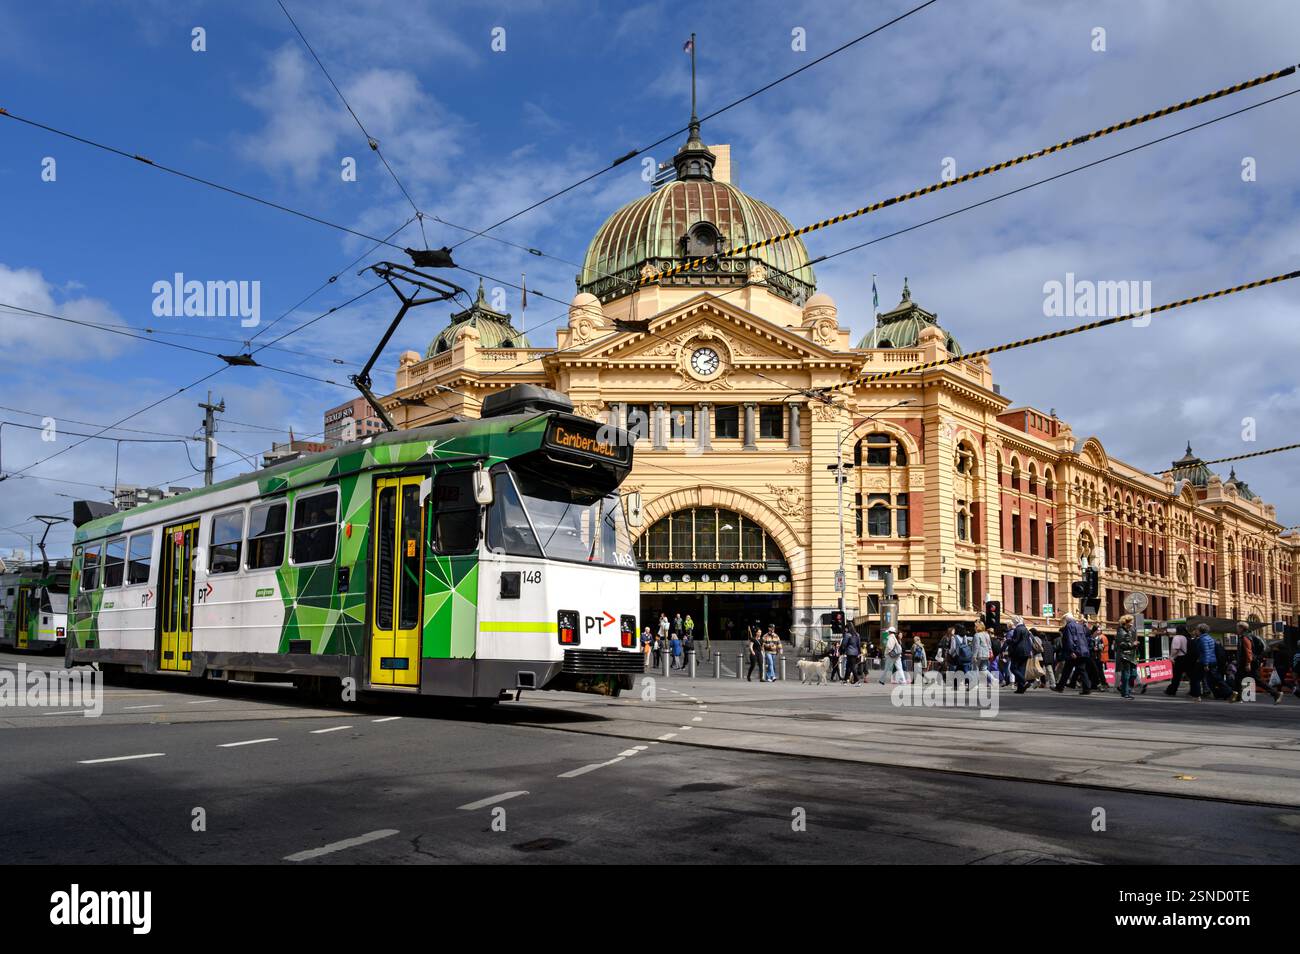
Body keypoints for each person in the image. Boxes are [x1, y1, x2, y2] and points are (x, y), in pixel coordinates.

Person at [1232, 622, 1276, 703]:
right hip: (1247, 663)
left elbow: (1248, 651)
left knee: (1256, 680)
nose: (1237, 629)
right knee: (1238, 679)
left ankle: (1275, 693)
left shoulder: (1245, 637)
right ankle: (1237, 698)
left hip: (1247, 663)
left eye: (1237, 628)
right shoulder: (1248, 636)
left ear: (1241, 628)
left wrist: (1248, 663)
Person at [1054, 612, 1094, 695]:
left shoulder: (1069, 626)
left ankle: (1061, 687)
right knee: (1070, 669)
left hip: (1075, 652)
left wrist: (1072, 651)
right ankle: (1060, 687)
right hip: (1083, 651)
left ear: (1067, 620)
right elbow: (1086, 637)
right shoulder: (1080, 626)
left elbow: (1069, 640)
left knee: (1074, 670)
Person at [1190, 624, 1230, 701]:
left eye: (1197, 630)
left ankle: (1196, 696)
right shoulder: (1210, 638)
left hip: (1204, 661)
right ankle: (1223, 693)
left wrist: (1206, 664)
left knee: (1196, 679)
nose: (1196, 631)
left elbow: (1206, 652)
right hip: (1212, 661)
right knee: (1213, 679)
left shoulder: (1203, 639)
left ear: (1200, 631)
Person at [1004, 616, 1033, 693]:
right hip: (1026, 652)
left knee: (1013, 668)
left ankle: (1025, 682)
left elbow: (1015, 640)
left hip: (1018, 652)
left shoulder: (1018, 629)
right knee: (1021, 670)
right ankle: (1020, 688)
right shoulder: (1026, 629)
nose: (1013, 622)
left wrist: (1008, 641)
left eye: (1013, 621)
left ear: (1016, 621)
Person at [1114, 614, 1138, 700]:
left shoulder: (1131, 629)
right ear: (1126, 622)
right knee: (1126, 674)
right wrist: (1132, 644)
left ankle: (1123, 687)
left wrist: (1135, 645)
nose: (1132, 623)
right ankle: (1125, 693)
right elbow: (1121, 644)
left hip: (1131, 655)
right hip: (1124, 656)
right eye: (1131, 621)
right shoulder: (1121, 631)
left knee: (1133, 674)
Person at [1165, 627, 1190, 696]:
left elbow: (1176, 649)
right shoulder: (1186, 638)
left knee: (1176, 676)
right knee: (1190, 675)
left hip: (1179, 658)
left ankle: (1172, 690)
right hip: (1186, 658)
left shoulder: (1177, 637)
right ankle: (1194, 690)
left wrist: (1172, 657)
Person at [972, 621, 993, 686]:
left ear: (978, 627)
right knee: (984, 669)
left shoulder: (977, 635)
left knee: (976, 669)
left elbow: (976, 646)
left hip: (979, 655)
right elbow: (990, 645)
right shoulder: (986, 634)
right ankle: (993, 679)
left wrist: (974, 656)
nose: (974, 628)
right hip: (986, 654)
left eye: (975, 626)